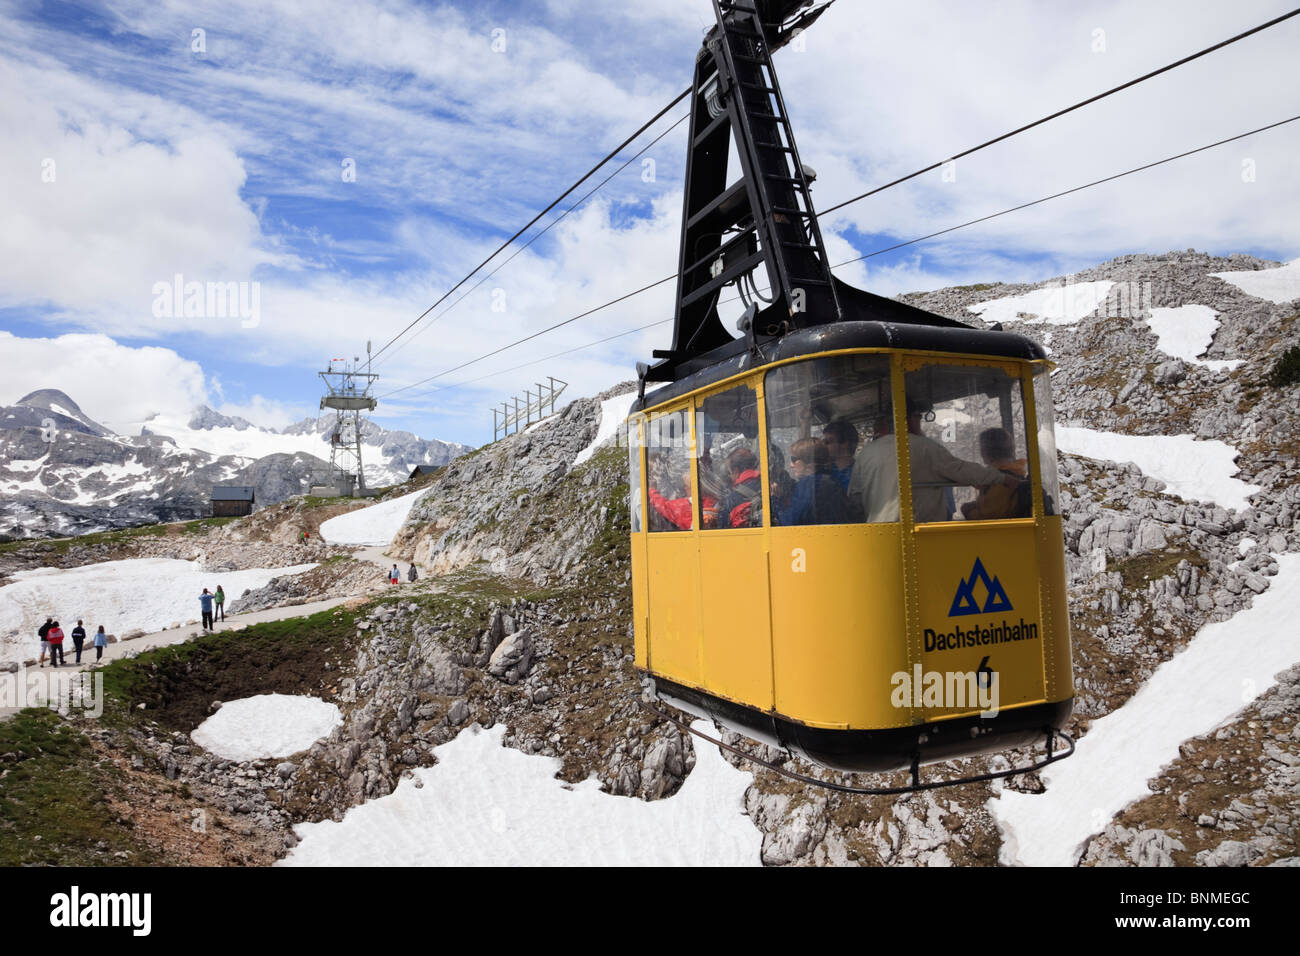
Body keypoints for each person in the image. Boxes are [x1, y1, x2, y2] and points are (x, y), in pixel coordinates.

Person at [849, 401, 1019, 523]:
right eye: (918, 417)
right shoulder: (924, 447)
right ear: (907, 419)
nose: (920, 423)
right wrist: (1002, 479)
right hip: (919, 531)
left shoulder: (866, 453)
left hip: (878, 534)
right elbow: (960, 470)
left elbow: (855, 497)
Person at [777, 438, 849, 526]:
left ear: (807, 461)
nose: (791, 465)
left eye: (793, 459)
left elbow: (790, 522)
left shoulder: (809, 485)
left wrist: (777, 499)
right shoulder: (832, 479)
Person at [961, 427, 1029, 521]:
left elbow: (991, 519)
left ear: (986, 451)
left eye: (982, 448)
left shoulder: (1001, 480)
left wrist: (969, 511)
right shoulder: (1015, 472)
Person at [718, 447, 763, 528]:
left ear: (735, 471)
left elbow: (722, 529)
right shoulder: (770, 486)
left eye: (730, 472)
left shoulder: (732, 500)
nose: (730, 477)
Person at [821, 420, 859, 491]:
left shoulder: (857, 475)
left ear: (845, 444)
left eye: (827, 442)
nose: (824, 445)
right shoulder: (826, 470)